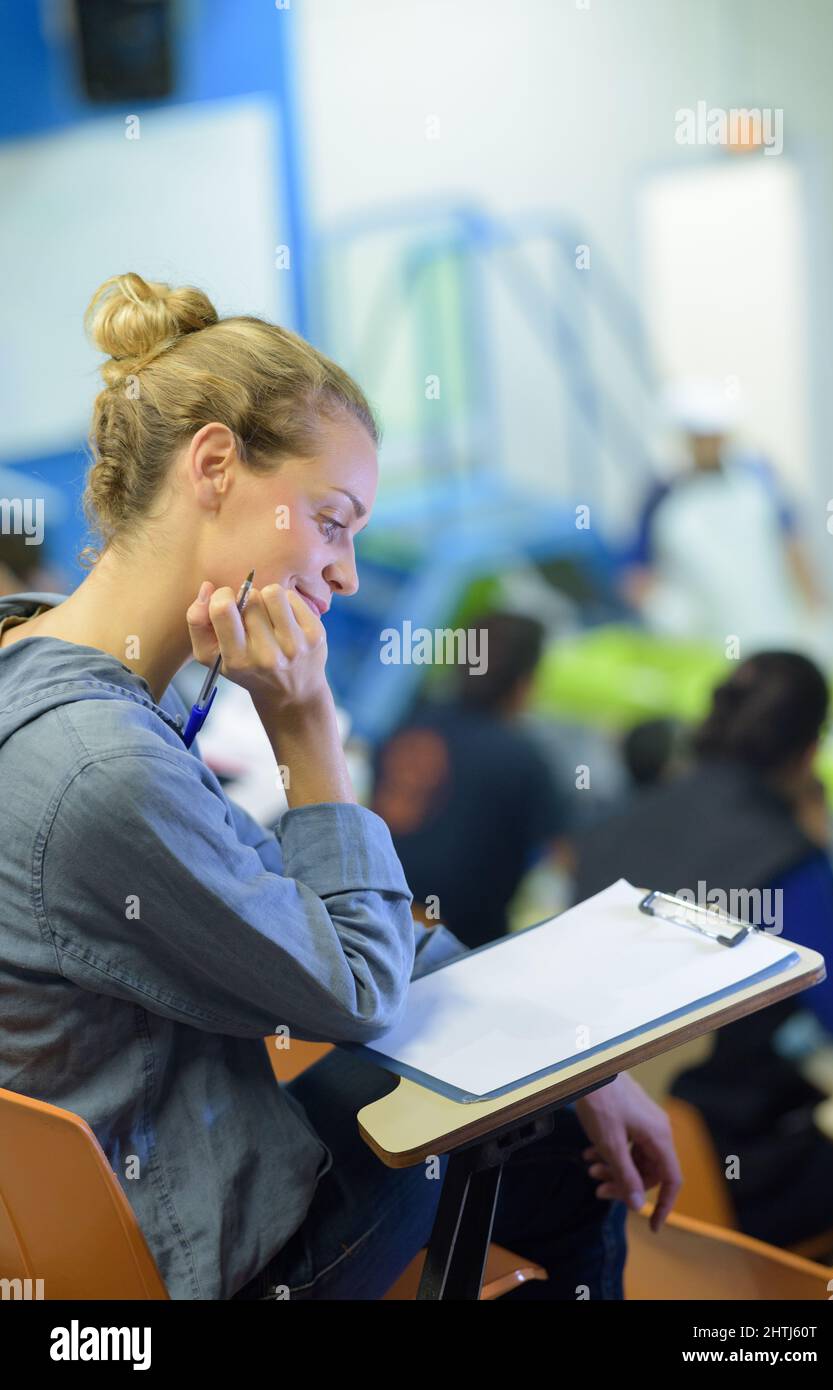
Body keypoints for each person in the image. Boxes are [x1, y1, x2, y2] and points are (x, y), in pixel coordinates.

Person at [0, 272, 679, 1300]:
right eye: (332, 520)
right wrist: (309, 735)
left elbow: (276, 889)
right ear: (215, 465)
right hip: (199, 1253)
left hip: (95, 1206)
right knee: (533, 1145)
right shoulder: (106, 766)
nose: (348, 572)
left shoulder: (37, 659)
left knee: (525, 1096)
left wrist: (580, 1058)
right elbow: (356, 990)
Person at [574, 651, 833, 1254]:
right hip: (720, 1173)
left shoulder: (613, 827)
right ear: (810, 753)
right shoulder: (783, 855)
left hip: (593, 1166)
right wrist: (820, 844)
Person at [371, 611, 575, 949]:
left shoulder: (410, 721)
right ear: (525, 684)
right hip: (456, 946)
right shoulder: (523, 759)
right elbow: (566, 859)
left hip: (369, 912)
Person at [622, 379, 826, 655]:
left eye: (714, 436)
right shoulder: (662, 494)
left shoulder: (758, 480)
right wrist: (664, 608)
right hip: (698, 640)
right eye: (699, 437)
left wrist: (817, 612)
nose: (708, 445)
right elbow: (636, 573)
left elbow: (793, 545)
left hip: (771, 628)